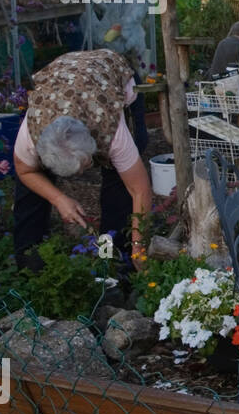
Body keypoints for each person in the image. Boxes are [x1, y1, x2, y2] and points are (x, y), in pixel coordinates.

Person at [12, 49, 153, 272]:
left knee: (119, 189)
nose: (80, 177)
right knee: (29, 196)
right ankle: (30, 266)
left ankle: (115, 262)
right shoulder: (32, 130)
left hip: (112, 75)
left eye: (85, 166)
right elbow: (25, 171)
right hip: (64, 74)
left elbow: (140, 190)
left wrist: (139, 245)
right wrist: (58, 198)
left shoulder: (111, 130)